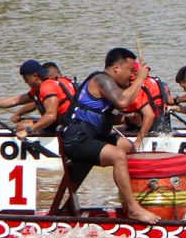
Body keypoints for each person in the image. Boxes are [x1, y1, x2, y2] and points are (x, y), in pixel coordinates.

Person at [53, 48, 159, 224]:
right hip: (76, 139)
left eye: (135, 72)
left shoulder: (110, 85)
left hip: (92, 136)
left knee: (127, 146)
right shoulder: (102, 79)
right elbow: (124, 101)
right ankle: (133, 209)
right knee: (117, 155)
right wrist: (140, 78)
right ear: (116, 68)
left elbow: (101, 115)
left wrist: (126, 118)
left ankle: (132, 198)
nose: (132, 75)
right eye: (131, 71)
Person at [0, 60, 75, 136]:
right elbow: (15, 100)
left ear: (35, 76)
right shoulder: (54, 83)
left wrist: (27, 131)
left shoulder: (47, 87)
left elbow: (50, 116)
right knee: (25, 123)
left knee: (21, 127)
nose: (25, 82)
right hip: (72, 121)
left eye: (26, 79)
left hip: (68, 125)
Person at [120, 65, 170, 139]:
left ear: (134, 73)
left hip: (146, 127)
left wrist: (139, 140)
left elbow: (149, 115)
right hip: (161, 125)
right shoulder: (158, 82)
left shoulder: (136, 87)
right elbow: (168, 99)